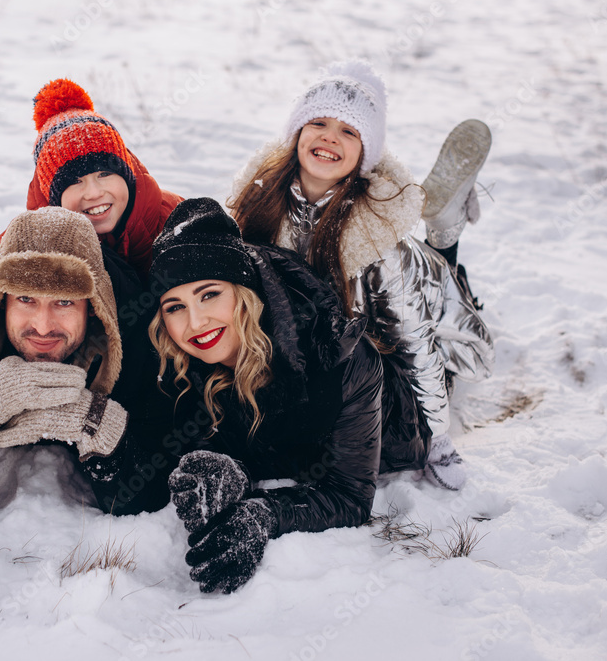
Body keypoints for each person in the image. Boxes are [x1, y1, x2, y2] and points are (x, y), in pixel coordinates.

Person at [229, 59, 495, 491]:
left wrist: (438, 437)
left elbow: (414, 340)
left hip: (398, 331)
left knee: (400, 431)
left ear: (364, 155)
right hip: (319, 338)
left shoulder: (375, 240)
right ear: (296, 133)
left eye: (349, 131)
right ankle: (440, 245)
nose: (330, 136)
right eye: (318, 122)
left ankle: (445, 234)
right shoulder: (260, 202)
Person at [142, 197, 430, 594]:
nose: (195, 322)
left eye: (210, 295)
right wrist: (226, 472)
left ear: (243, 294)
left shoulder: (339, 358)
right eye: (175, 306)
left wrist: (265, 515)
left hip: (400, 416)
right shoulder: (183, 363)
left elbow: (349, 496)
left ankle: (443, 248)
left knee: (445, 342)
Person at [0, 207, 154, 516]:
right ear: (1, 299)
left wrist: (102, 428)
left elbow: (147, 498)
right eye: (25, 299)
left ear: (92, 305)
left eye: (64, 302)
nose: (44, 326)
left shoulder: (133, 327)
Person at [0, 78, 182, 328]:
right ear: (54, 197)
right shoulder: (32, 240)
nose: (93, 192)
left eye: (105, 173)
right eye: (74, 181)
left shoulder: (171, 219)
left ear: (127, 173)